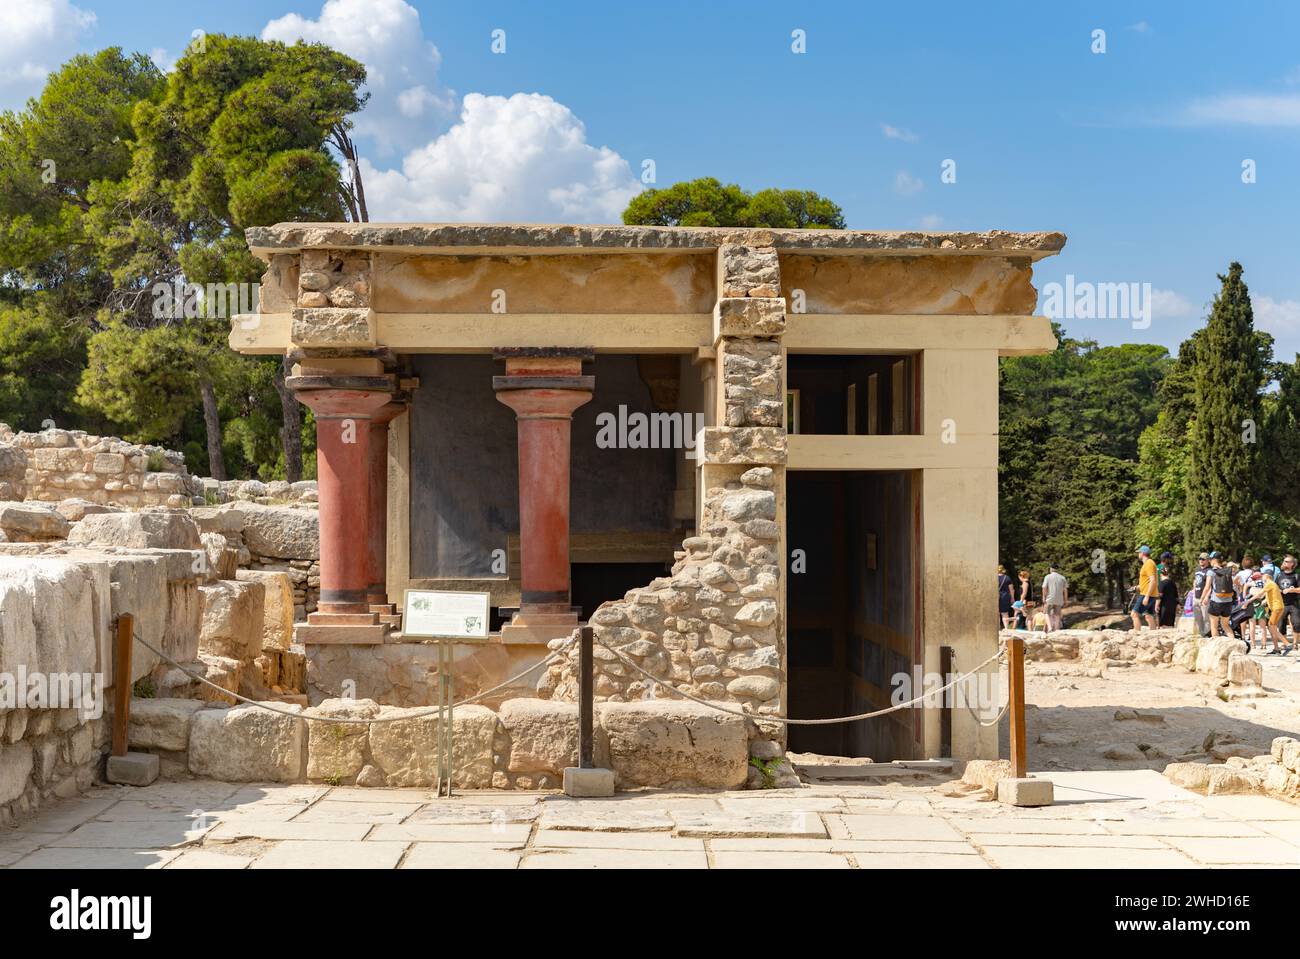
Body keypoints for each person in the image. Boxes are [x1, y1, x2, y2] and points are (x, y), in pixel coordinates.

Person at [1200, 551, 1235, 639]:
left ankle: (1216, 647)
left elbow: (1207, 587)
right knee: (1226, 626)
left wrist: (1201, 599)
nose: (1210, 561)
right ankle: (1234, 646)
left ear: (1214, 560)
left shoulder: (1211, 572)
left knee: (1214, 626)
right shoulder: (1227, 570)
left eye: (1210, 559)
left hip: (1216, 601)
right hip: (1228, 601)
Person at [1260, 566, 1289, 655]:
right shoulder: (1272, 584)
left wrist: (1248, 601)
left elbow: (1259, 594)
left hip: (1277, 608)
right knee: (1272, 627)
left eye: (1262, 575)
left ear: (1266, 575)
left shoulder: (1269, 583)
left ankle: (1287, 644)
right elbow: (1272, 595)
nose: (1261, 577)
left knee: (1271, 626)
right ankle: (1276, 648)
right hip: (1275, 608)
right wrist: (1264, 601)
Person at [1131, 545, 1159, 631]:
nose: (1138, 554)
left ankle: (1137, 635)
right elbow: (1147, 582)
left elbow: (1153, 580)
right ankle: (1154, 635)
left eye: (1139, 552)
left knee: (1134, 614)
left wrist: (1147, 596)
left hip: (1147, 594)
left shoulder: (1149, 564)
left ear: (1143, 553)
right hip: (1150, 594)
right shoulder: (1149, 563)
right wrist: (1137, 587)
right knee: (1149, 616)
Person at [1276, 554, 1300, 647]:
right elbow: (1274, 588)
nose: (1284, 563)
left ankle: (1295, 643)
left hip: (1294, 603)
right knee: (1281, 625)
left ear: (1292, 564)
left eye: (1287, 561)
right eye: (1284, 561)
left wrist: (1291, 590)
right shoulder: (1278, 575)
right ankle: (1285, 643)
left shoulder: (1296, 575)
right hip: (1282, 603)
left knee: (1297, 623)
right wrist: (1279, 590)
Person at [1041, 563, 1068, 632]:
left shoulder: (1047, 577)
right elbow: (1065, 590)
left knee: (1046, 613)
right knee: (1057, 614)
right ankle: (1056, 629)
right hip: (1059, 598)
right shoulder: (1062, 577)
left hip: (1050, 598)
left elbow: (1044, 587)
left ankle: (1050, 627)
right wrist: (1065, 600)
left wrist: (1044, 597)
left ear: (1051, 569)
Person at [1191, 552, 1212, 637]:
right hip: (1196, 596)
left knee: (1206, 618)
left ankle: (1207, 634)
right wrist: (1193, 589)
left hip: (1204, 598)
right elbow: (1195, 580)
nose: (1201, 560)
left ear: (1208, 560)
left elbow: (1210, 585)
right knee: (1197, 618)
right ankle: (1200, 634)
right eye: (1200, 559)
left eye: (1203, 559)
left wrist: (1206, 596)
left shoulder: (1209, 570)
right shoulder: (1197, 569)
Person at [1157, 561, 1179, 628]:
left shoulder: (1162, 583)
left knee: (1163, 625)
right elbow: (1176, 595)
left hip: (1164, 607)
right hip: (1172, 606)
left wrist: (1156, 605)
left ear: (1161, 574)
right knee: (1170, 624)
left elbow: (1160, 596)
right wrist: (1177, 604)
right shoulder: (1172, 583)